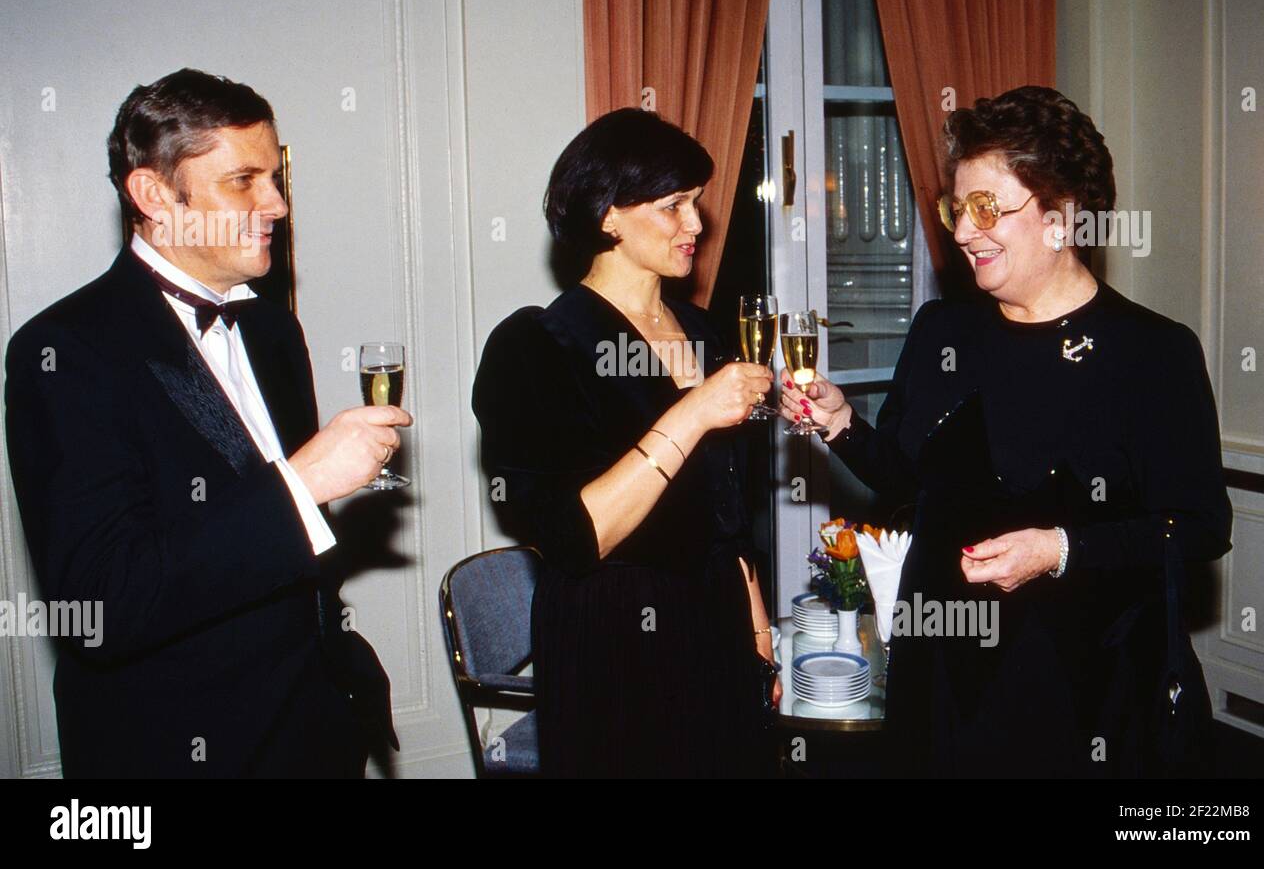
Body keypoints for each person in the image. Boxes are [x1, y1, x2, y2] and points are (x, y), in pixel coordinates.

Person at [781, 86, 1232, 778]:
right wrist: (841, 424)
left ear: (1061, 216)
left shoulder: (1151, 351)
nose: (963, 231)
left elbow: (1198, 525)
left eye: (987, 207)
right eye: (956, 208)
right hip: (941, 675)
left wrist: (1058, 548)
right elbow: (907, 480)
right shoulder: (943, 330)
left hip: (1081, 688)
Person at [4, 68, 410, 777]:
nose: (278, 204)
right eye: (244, 180)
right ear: (154, 195)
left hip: (313, 735)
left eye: (275, 176)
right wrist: (302, 482)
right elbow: (101, 602)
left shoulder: (274, 331)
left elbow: (288, 559)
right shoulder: (63, 350)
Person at [472, 108, 778, 777]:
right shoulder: (536, 346)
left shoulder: (703, 332)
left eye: (696, 204)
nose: (696, 225)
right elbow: (576, 535)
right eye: (672, 207)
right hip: (614, 636)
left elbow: (728, 514)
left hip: (716, 621)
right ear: (607, 215)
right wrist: (693, 413)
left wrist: (756, 623)